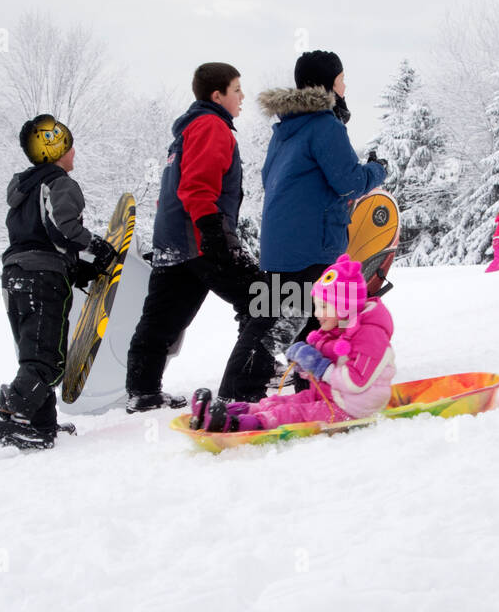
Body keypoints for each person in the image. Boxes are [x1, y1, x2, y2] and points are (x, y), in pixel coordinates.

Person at [126, 62, 276, 412]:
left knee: (161, 321)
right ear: (217, 95)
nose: (242, 97)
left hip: (173, 244)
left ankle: (142, 391)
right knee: (267, 298)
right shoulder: (211, 126)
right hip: (201, 240)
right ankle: (252, 376)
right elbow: (196, 186)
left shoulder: (186, 131)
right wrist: (213, 233)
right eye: (237, 90)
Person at [0, 114, 118, 450]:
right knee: (46, 359)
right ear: (56, 149)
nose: (74, 153)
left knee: (34, 352)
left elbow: (40, 238)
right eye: (69, 146)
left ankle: (40, 424)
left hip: (15, 277)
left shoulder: (24, 190)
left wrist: (75, 270)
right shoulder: (60, 183)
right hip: (42, 278)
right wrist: (96, 247)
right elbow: (63, 227)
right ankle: (9, 417)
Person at [257, 50, 386, 358]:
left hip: (279, 244)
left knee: (271, 320)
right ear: (328, 86)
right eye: (341, 81)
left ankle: (299, 383)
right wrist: (378, 169)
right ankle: (241, 392)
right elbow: (350, 182)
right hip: (313, 245)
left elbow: (270, 179)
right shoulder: (324, 126)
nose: (345, 88)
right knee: (317, 316)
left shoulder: (285, 129)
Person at [188, 254, 394, 432]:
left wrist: (319, 365)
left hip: (356, 406)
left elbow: (355, 382)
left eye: (323, 306)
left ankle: (233, 424)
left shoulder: (370, 335)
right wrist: (306, 365)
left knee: (292, 413)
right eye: (317, 306)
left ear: (344, 305)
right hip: (332, 396)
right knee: (279, 402)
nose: (317, 313)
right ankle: (221, 412)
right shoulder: (338, 326)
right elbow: (329, 368)